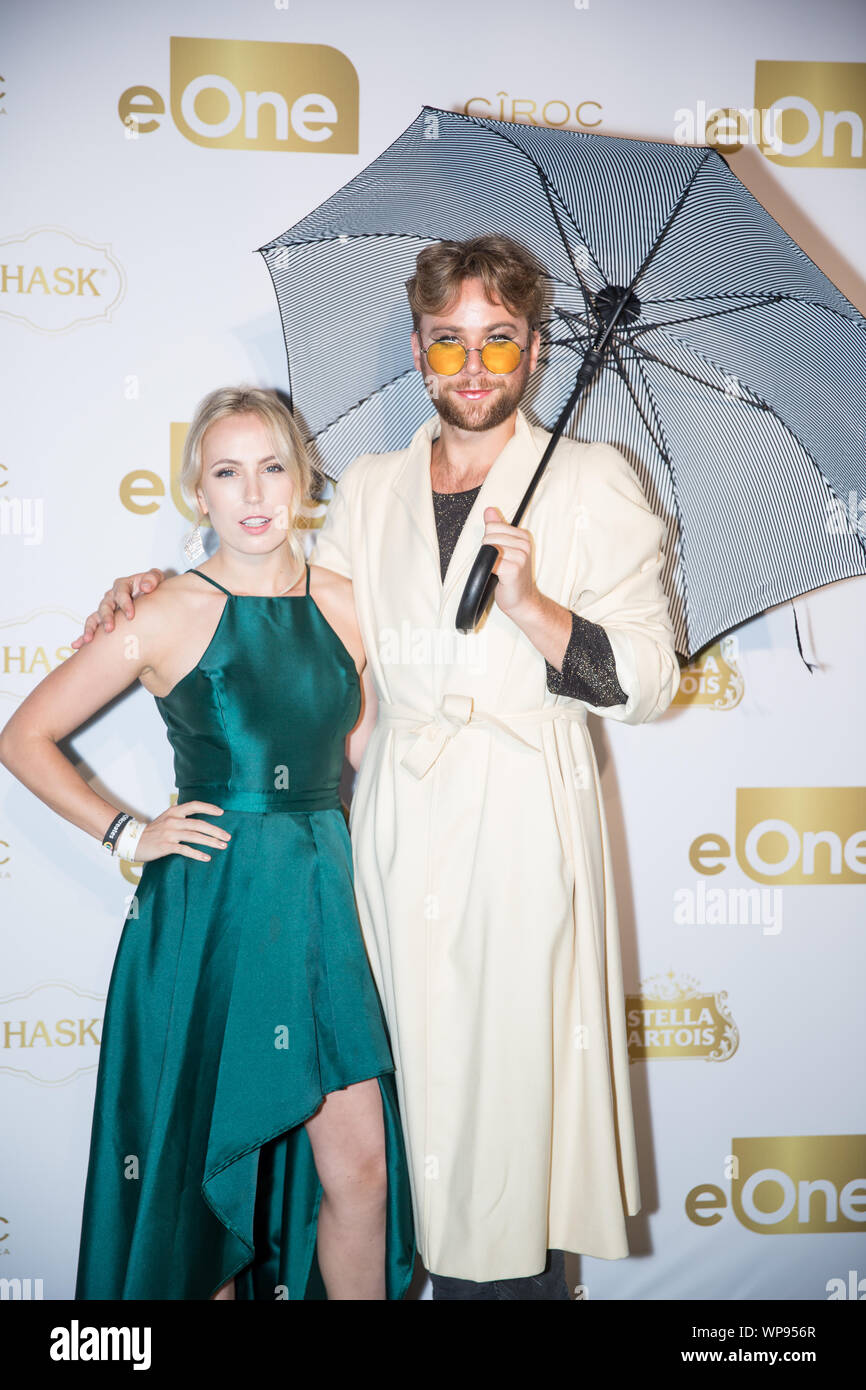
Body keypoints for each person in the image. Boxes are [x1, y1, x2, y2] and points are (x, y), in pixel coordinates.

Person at [72, 234, 681, 1300]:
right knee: (389, 1135)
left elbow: (647, 678)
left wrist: (535, 610)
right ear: (416, 353)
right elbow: (286, 615)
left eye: (498, 339)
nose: (475, 366)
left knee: (508, 1138)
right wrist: (151, 592)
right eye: (449, 344)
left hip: (520, 830)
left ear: (536, 350)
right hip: (381, 849)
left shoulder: (590, 481)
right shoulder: (372, 485)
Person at [0, 386, 416, 1300]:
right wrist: (126, 830)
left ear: (303, 478)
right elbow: (22, 738)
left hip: (322, 903)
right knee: (192, 1192)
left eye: (272, 466)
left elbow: (366, 763)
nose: (254, 492)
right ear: (198, 492)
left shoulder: (354, 607)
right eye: (228, 471)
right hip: (210, 913)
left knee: (362, 1174)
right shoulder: (162, 614)